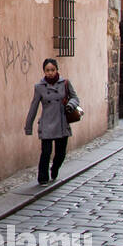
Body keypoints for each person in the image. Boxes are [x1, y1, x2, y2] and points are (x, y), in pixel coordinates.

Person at [24, 57, 80, 186]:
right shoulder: (39, 87)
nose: (50, 73)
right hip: (47, 123)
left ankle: (55, 169)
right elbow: (34, 106)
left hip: (61, 122)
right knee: (46, 152)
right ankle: (43, 178)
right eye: (47, 70)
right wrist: (28, 126)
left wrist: (71, 104)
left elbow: (75, 98)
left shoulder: (65, 83)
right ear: (44, 71)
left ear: (57, 70)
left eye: (52, 70)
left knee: (60, 153)